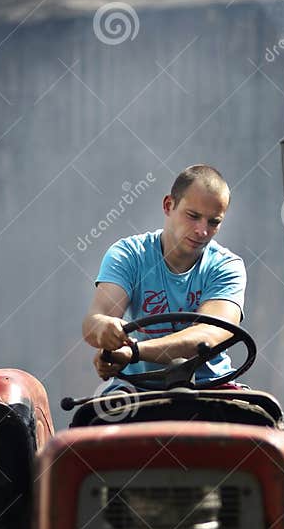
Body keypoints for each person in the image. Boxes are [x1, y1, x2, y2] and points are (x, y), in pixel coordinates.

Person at [81, 164, 246, 388]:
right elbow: (95, 321)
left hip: (211, 386)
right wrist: (105, 330)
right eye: (193, 216)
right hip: (138, 388)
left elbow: (207, 336)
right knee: (96, 419)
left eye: (213, 222)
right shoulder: (128, 255)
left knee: (262, 419)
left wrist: (133, 352)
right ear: (169, 205)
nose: (202, 231)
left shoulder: (227, 267)